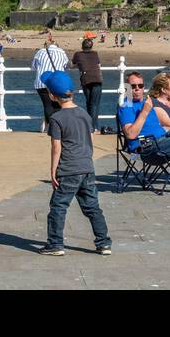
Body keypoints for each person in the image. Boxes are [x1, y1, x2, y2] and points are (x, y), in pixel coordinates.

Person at [39, 71, 110, 257]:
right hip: (86, 167)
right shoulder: (85, 114)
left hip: (68, 169)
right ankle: (103, 243)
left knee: (58, 207)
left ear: (53, 96)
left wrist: (53, 170)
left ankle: (55, 244)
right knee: (92, 207)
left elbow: (56, 147)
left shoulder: (56, 118)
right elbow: (90, 141)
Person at [31, 35, 70, 132]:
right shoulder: (62, 52)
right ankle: (56, 127)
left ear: (46, 46)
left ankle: (50, 127)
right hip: (57, 82)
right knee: (57, 105)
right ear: (57, 45)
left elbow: (33, 66)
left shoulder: (40, 52)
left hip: (42, 82)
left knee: (47, 105)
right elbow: (66, 66)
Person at [71, 34, 104, 135]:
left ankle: (90, 126)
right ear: (91, 46)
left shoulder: (78, 54)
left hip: (86, 79)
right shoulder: (95, 54)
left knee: (89, 103)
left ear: (82, 46)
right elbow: (98, 65)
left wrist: (79, 65)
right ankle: (93, 127)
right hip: (97, 79)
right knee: (94, 104)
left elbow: (73, 64)